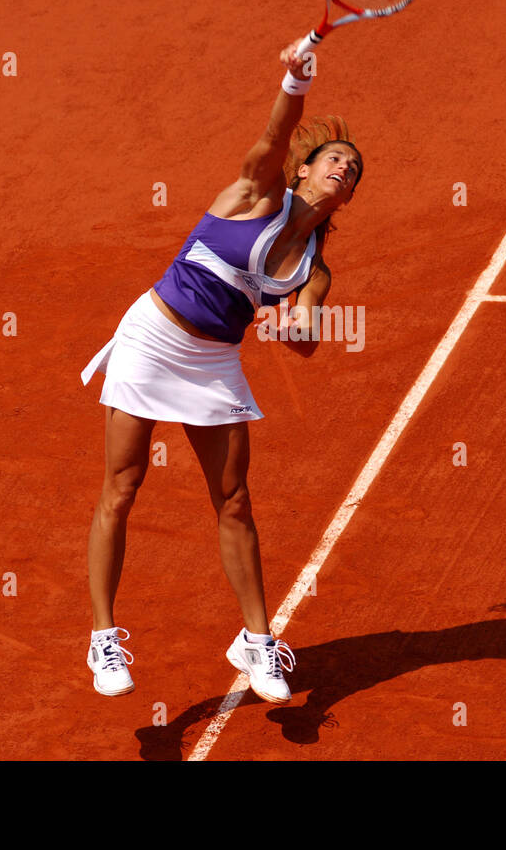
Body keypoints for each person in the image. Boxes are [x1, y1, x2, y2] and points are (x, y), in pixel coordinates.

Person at [79, 38, 364, 704]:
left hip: (213, 363)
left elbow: (308, 342)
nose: (343, 168)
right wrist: (294, 80)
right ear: (303, 172)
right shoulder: (257, 191)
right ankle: (103, 637)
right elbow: (275, 133)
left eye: (352, 170)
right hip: (151, 340)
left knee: (234, 501)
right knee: (123, 485)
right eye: (334, 159)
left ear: (347, 198)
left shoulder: (314, 269)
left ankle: (256, 642)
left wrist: (295, 328)